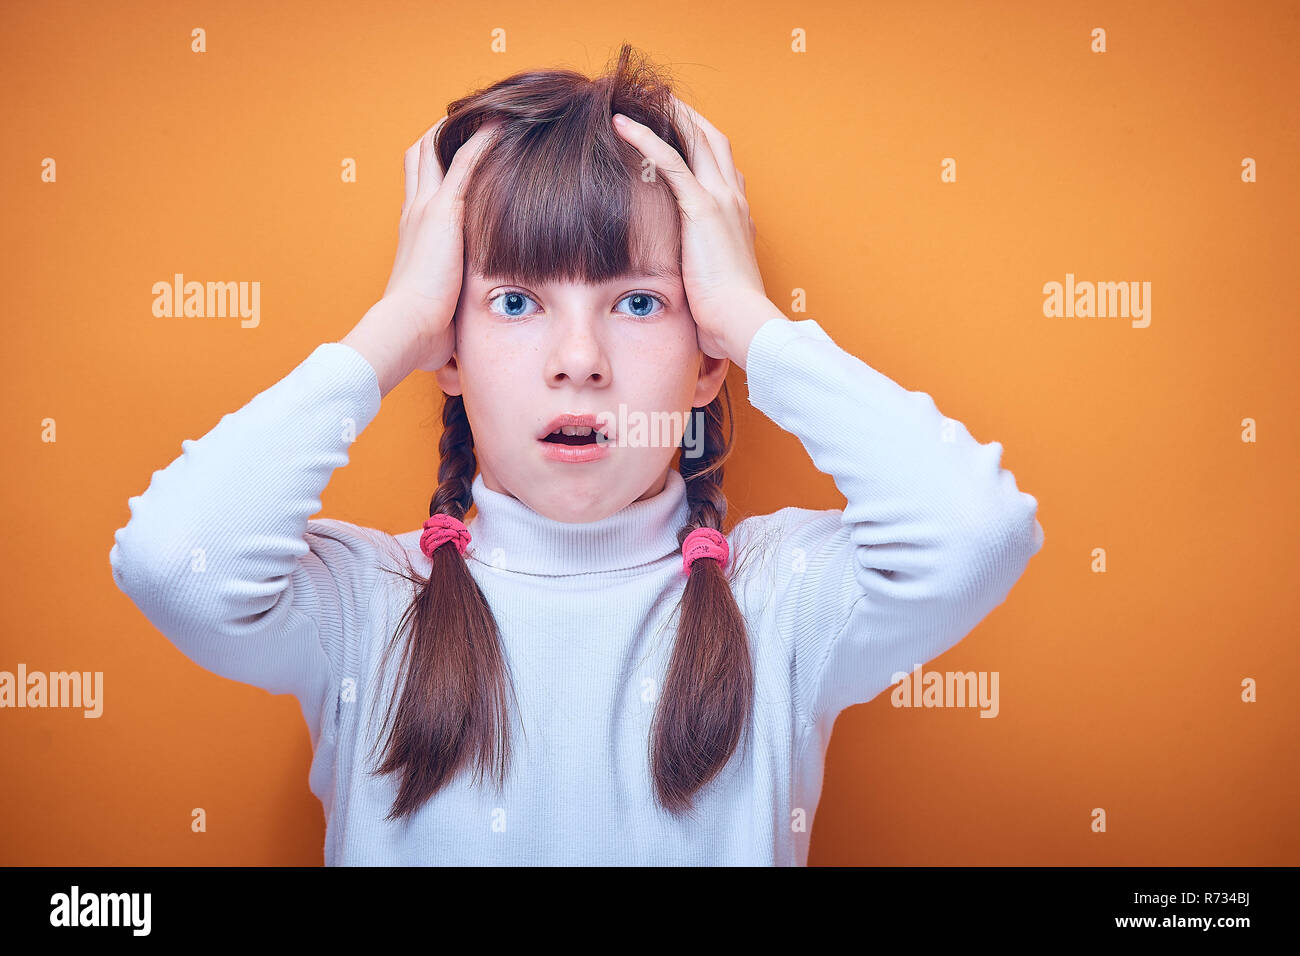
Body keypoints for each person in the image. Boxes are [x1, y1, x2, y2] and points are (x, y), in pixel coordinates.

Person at [109, 43, 1044, 865]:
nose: (580, 362)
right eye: (515, 303)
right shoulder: (370, 606)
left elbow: (975, 533)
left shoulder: (780, 602)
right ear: (449, 344)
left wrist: (753, 325)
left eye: (640, 302)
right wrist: (393, 326)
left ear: (707, 353)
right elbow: (174, 562)